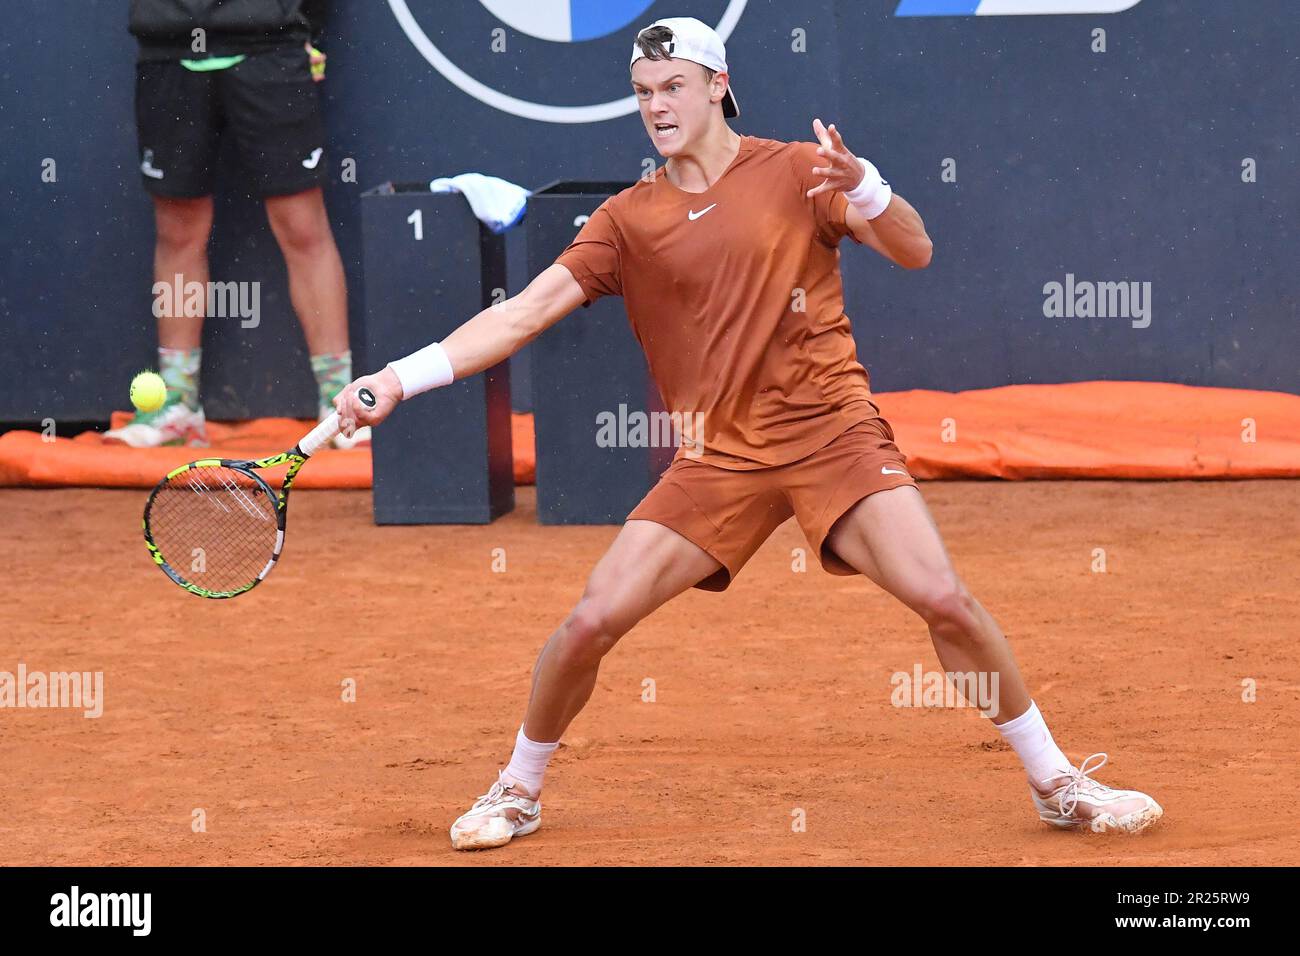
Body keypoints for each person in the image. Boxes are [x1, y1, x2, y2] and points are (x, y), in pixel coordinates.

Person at [334, 17, 1163, 850]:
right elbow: (521, 315)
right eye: (643, 93)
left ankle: (1056, 780)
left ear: (717, 86)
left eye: (672, 88)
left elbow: (914, 249)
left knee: (944, 600)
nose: (656, 107)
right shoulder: (628, 220)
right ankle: (519, 789)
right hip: (717, 460)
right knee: (589, 623)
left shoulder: (803, 171)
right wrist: (399, 377)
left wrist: (868, 185)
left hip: (833, 436)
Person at [108, 0, 367, 449]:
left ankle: (339, 406)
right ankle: (178, 408)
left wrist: (303, 25)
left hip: (271, 45)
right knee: (178, 231)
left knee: (303, 227)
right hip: (168, 50)